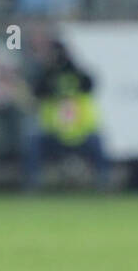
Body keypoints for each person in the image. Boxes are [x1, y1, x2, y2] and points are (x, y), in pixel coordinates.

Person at [21, 39, 109, 189]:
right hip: (54, 133)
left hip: (81, 132)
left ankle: (104, 182)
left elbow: (90, 83)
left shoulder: (79, 77)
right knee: (33, 143)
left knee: (98, 143)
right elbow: (36, 91)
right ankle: (32, 182)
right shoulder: (46, 77)